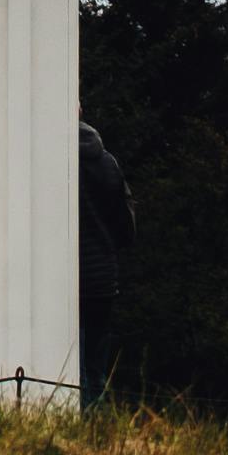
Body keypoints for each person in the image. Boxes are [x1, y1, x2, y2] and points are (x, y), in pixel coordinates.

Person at [79, 119, 135, 405]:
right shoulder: (107, 163)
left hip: (71, 276)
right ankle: (95, 434)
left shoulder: (56, 160)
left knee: (72, 366)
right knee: (95, 366)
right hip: (103, 277)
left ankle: (74, 431)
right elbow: (125, 223)